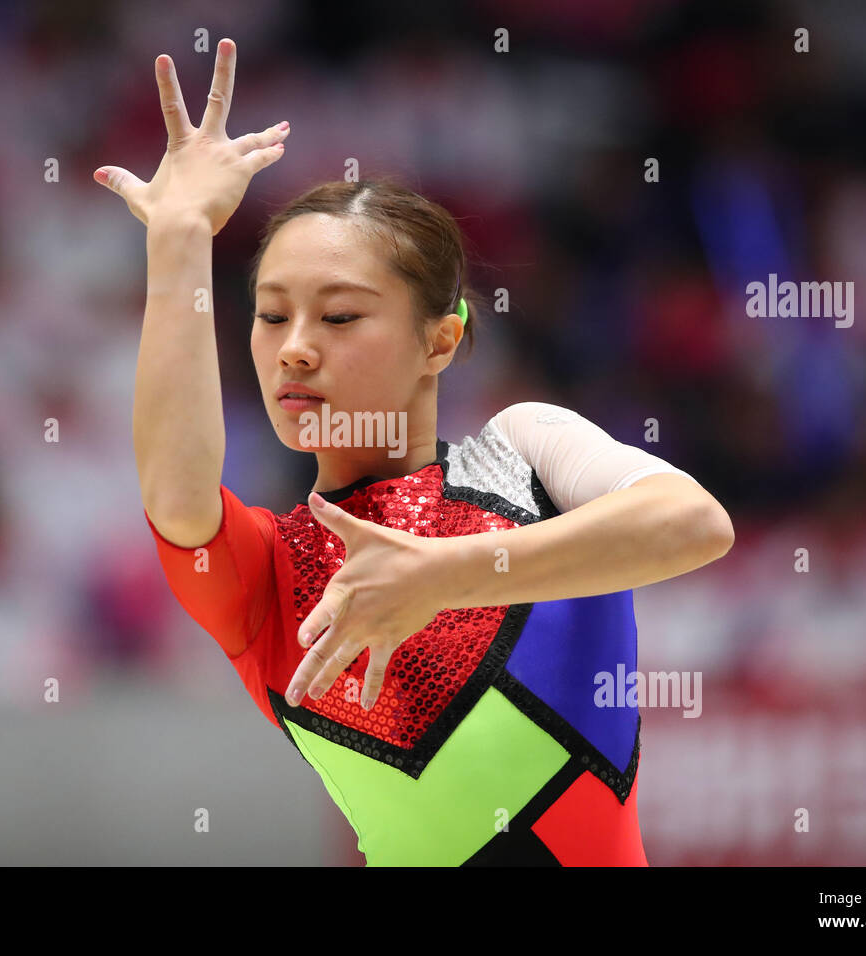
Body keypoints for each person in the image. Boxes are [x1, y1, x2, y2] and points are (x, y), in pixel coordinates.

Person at [95, 38, 735, 866]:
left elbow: (694, 523)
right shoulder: (272, 577)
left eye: (339, 317)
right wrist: (179, 237)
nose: (293, 348)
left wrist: (439, 575)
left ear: (441, 340)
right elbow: (178, 496)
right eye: (271, 314)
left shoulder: (525, 451)